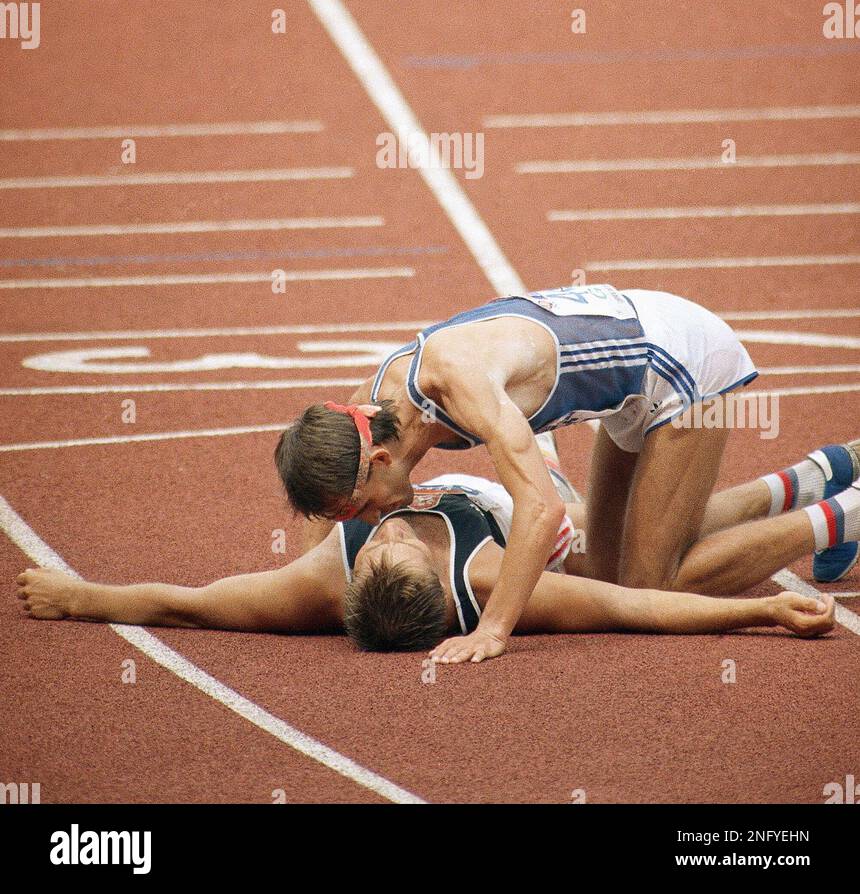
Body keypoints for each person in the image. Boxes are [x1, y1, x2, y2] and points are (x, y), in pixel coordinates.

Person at [273, 282, 776, 662]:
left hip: (682, 363)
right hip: (626, 384)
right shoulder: (364, 416)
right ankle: (807, 481)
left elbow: (543, 510)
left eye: (361, 509)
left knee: (648, 586)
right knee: (605, 567)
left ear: (381, 463)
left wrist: (492, 630)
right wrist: (326, 581)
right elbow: (327, 503)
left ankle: (842, 512)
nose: (368, 522)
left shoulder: (454, 382)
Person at [19, 432, 855, 650]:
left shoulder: (320, 583)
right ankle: (830, 514)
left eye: (369, 548)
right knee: (638, 559)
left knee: (650, 535)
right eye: (393, 549)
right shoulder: (486, 579)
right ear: (428, 571)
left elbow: (188, 606)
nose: (381, 539)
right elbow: (633, 607)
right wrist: (765, 617)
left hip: (488, 489)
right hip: (531, 523)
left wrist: (80, 597)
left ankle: (805, 482)